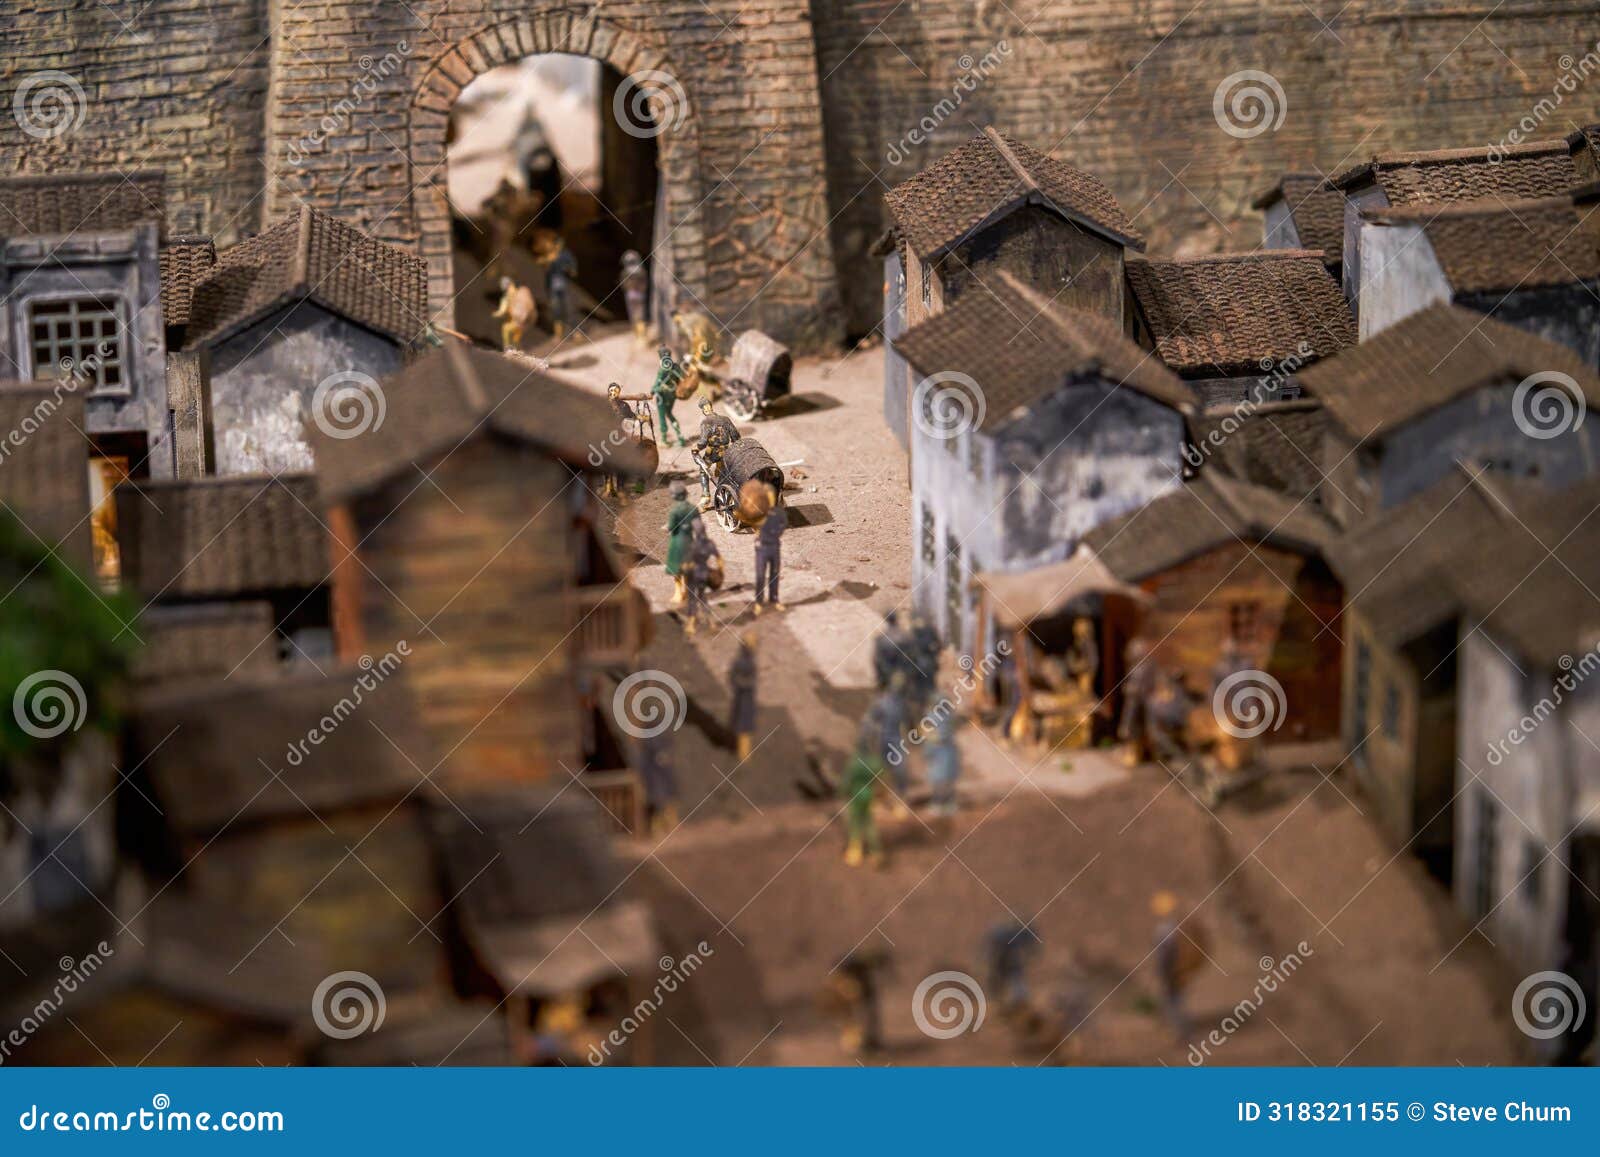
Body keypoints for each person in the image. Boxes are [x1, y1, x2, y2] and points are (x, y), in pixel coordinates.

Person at [1151, 890, 1206, 1041]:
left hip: (1171, 972)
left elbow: (1164, 957)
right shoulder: (1178, 929)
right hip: (1179, 971)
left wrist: (1163, 974)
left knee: (1174, 1003)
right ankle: (1182, 1031)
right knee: (1178, 1001)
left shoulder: (1163, 931)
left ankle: (1183, 1034)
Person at [867, 671, 910, 812]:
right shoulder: (882, 703)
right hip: (884, 738)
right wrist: (871, 737)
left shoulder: (903, 704)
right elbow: (872, 720)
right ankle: (878, 800)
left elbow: (910, 721)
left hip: (896, 739)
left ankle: (900, 800)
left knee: (900, 771)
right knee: (880, 771)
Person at [840, 736, 884, 867]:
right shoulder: (873, 762)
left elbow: (846, 781)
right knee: (869, 823)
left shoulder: (854, 763)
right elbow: (882, 776)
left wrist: (842, 791)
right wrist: (880, 793)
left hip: (856, 795)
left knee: (855, 824)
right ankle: (876, 852)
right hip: (868, 795)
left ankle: (855, 852)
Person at [985, 920, 1041, 1012]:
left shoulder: (1017, 935)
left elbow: (1031, 948)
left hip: (1010, 962)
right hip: (1000, 962)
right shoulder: (1001, 934)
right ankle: (999, 1002)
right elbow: (990, 949)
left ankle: (1019, 1001)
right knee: (998, 981)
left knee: (1016, 979)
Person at [683, 515, 722, 638]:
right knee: (703, 598)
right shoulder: (710, 543)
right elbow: (719, 559)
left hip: (693, 574)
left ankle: (691, 624)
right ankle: (711, 622)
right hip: (705, 573)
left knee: (692, 600)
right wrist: (720, 572)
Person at [638, 726, 678, 836]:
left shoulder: (662, 755)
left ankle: (667, 827)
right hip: (653, 784)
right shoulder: (646, 757)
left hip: (661, 784)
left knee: (665, 804)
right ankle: (656, 830)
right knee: (657, 806)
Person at [663, 480, 697, 607]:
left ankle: (678, 593)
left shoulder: (674, 511)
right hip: (689, 540)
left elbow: (672, 527)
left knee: (676, 569)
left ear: (674, 496)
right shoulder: (693, 509)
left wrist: (666, 527)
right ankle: (687, 591)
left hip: (677, 542)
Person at [753, 484, 786, 614]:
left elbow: (783, 525)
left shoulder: (779, 513)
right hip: (762, 548)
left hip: (774, 546)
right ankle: (758, 602)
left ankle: (774, 598)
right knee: (760, 575)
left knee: (774, 573)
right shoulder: (758, 512)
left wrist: (774, 533)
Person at [541, 233, 579, 338]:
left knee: (569, 309)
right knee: (556, 310)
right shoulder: (550, 256)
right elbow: (546, 270)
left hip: (563, 286)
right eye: (556, 244)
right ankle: (558, 335)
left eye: (559, 244)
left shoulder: (565, 255)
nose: (557, 246)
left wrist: (567, 269)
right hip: (553, 287)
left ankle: (575, 333)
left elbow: (573, 270)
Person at [728, 631, 758, 761]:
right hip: (743, 697)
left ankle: (743, 750)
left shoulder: (747, 661)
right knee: (743, 723)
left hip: (747, 697)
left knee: (745, 723)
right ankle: (743, 752)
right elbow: (734, 678)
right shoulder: (742, 662)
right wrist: (747, 684)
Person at [925, 712, 961, 817]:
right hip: (940, 759)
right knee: (940, 782)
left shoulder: (946, 740)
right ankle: (940, 803)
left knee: (945, 782)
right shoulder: (935, 738)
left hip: (945, 758)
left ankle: (946, 803)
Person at [652, 347, 686, 446]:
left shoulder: (663, 368)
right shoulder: (676, 366)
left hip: (662, 395)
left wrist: (653, 390)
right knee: (669, 414)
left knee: (662, 416)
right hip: (673, 394)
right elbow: (681, 379)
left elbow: (657, 382)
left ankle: (664, 439)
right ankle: (680, 437)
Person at [492, 276, 536, 350]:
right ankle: (519, 352)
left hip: (518, 320)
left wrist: (495, 314)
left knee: (505, 329)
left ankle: (508, 349)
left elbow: (502, 311)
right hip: (524, 319)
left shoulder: (508, 297)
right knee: (516, 338)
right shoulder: (519, 292)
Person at [620, 249, 649, 346]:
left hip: (636, 296)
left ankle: (641, 337)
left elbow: (644, 284)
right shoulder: (638, 271)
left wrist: (637, 289)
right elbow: (624, 284)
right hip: (633, 296)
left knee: (638, 316)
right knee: (636, 316)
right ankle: (639, 336)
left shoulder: (638, 272)